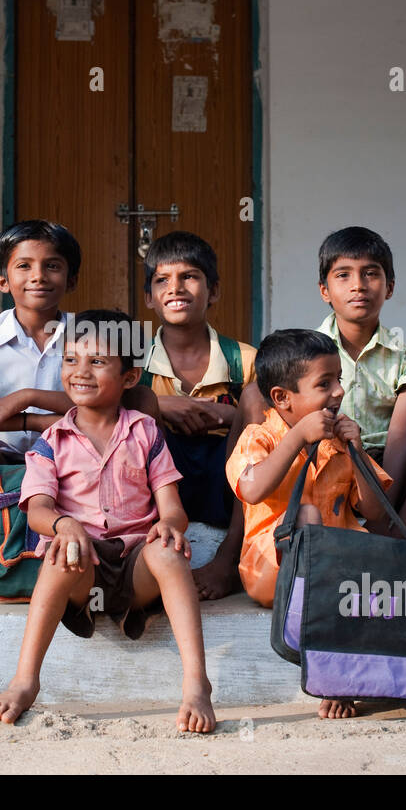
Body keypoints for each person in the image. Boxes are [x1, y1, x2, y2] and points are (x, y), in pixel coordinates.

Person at [0, 310, 215, 733]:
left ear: (129, 378)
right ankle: (25, 680)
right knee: (59, 554)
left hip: (135, 566)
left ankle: (196, 682)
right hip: (80, 570)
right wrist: (63, 525)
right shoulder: (51, 441)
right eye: (71, 360)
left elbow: (172, 506)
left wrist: (170, 526)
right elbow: (37, 510)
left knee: (169, 553)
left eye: (97, 361)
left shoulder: (145, 431)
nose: (80, 372)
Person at [0, 220, 155, 601]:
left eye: (52, 266)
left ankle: (111, 559)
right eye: (24, 266)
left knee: (133, 412)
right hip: (4, 456)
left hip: (75, 453)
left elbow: (105, 398)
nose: (38, 276)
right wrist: (24, 421)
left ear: (71, 281)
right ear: (2, 281)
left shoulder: (87, 336)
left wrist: (24, 400)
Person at [237, 226, 406, 535]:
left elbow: (399, 442)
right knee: (254, 394)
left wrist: (381, 509)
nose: (358, 286)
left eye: (370, 273)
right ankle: (236, 542)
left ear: (389, 287)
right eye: (343, 275)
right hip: (316, 462)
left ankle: (395, 538)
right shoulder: (304, 354)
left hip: (379, 469)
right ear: (324, 290)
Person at [225, 328, 392, 719]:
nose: (338, 392)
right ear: (283, 398)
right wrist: (298, 437)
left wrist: (356, 451)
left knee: (371, 555)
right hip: (274, 569)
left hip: (339, 572)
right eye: (324, 384)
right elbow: (251, 489)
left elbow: (377, 512)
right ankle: (330, 675)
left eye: (339, 381)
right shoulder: (259, 437)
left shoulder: (338, 441)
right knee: (306, 516)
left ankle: (373, 675)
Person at [140, 231, 255, 600]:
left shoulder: (245, 360)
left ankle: (229, 557)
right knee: (135, 403)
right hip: (161, 490)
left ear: (214, 291)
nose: (176, 288)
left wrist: (226, 415)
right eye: (162, 280)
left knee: (255, 398)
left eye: (189, 276)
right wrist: (161, 405)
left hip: (229, 484)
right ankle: (147, 553)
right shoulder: (134, 364)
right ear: (149, 298)